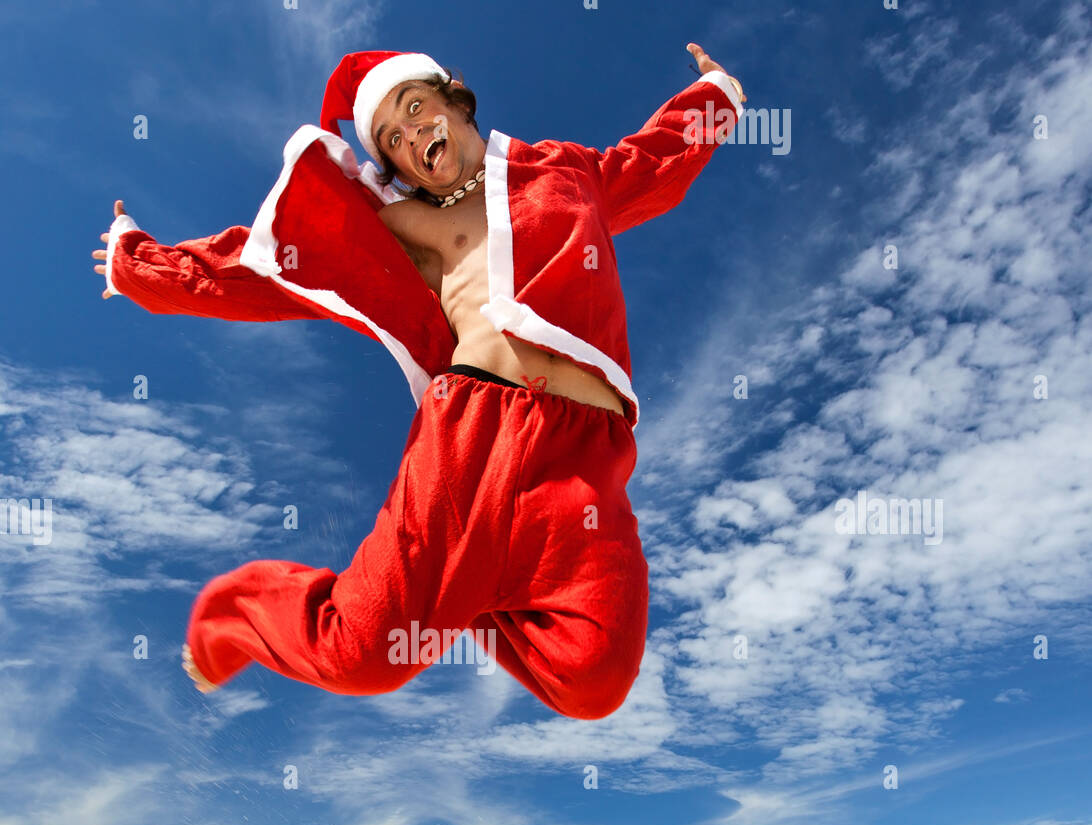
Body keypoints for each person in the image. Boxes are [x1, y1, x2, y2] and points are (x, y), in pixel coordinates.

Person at [93, 44, 744, 719]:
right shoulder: (405, 225)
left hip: (584, 461)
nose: (412, 139)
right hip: (473, 441)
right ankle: (241, 606)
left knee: (595, 679)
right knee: (362, 656)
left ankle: (458, 590)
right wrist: (138, 264)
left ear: (455, 101)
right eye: (392, 141)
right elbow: (269, 267)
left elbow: (654, 160)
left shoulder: (566, 170)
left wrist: (718, 95)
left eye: (415, 110)